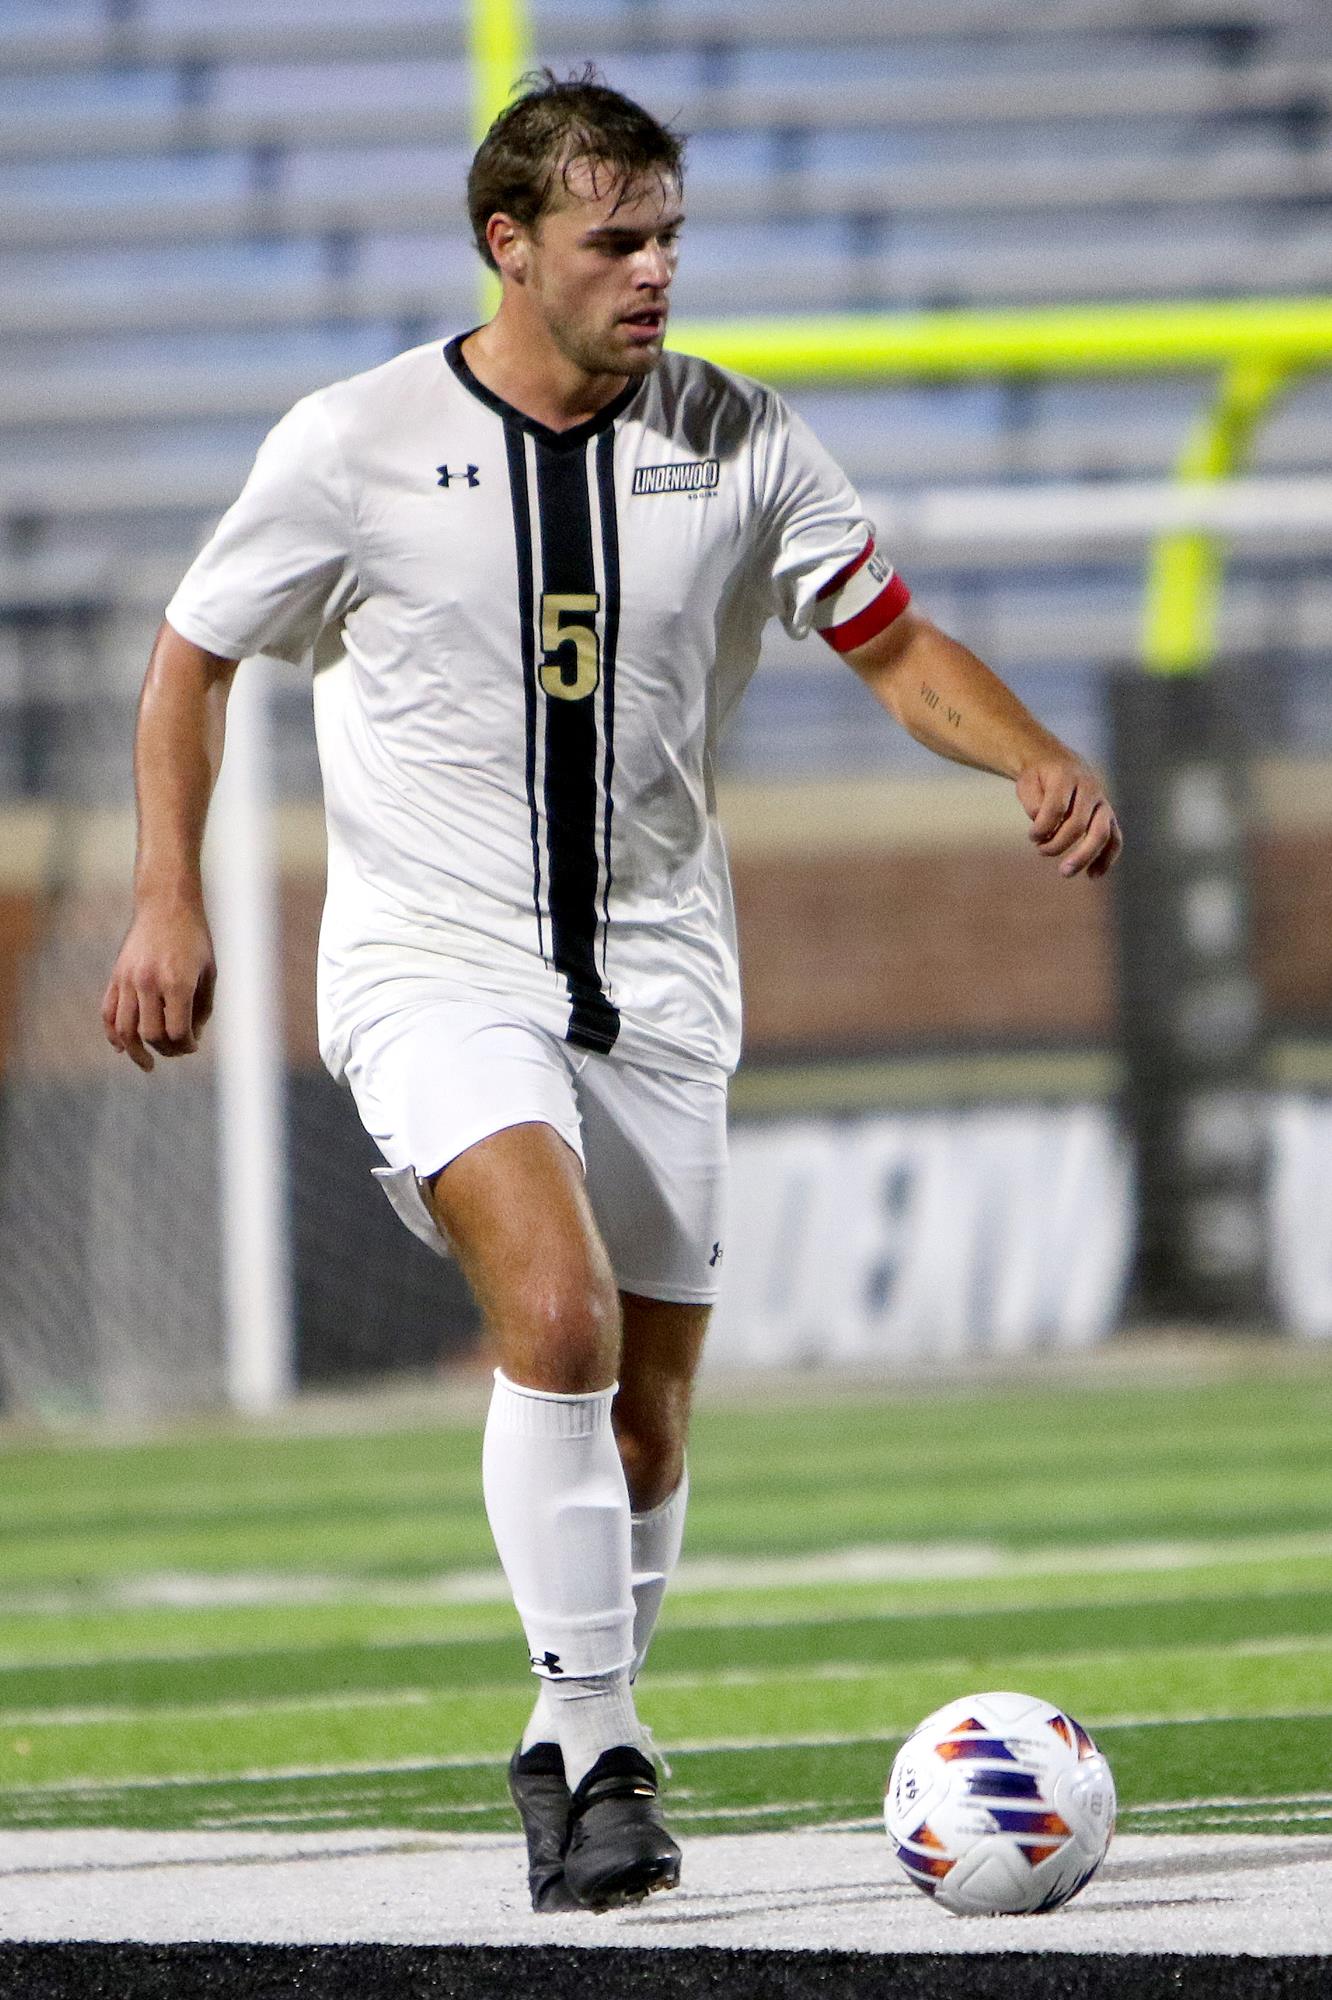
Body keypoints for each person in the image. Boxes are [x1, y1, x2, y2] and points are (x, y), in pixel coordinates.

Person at [102, 68, 1123, 1914]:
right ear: (511, 247)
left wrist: (1033, 756)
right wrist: (168, 895)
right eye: (616, 241)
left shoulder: (738, 437)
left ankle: (574, 1740)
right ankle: (603, 1750)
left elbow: (892, 650)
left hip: (662, 971)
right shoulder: (352, 442)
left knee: (644, 1421)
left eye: (670, 239)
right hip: (431, 964)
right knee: (554, 1315)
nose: (657, 275)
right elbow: (192, 658)